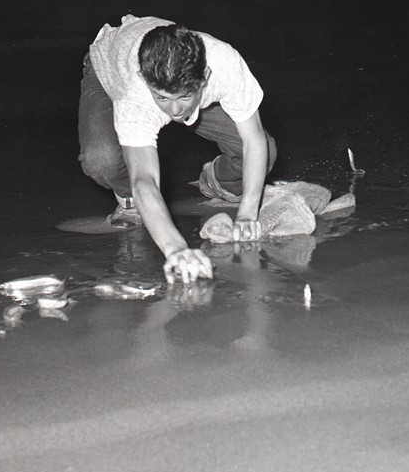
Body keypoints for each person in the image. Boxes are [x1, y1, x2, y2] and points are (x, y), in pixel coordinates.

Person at [78, 15, 277, 283]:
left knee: (266, 154)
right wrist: (177, 249)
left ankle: (218, 180)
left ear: (204, 76)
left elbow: (254, 141)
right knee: (100, 160)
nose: (173, 110)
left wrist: (247, 215)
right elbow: (144, 179)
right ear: (144, 79)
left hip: (180, 80)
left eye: (184, 96)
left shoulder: (225, 64)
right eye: (162, 98)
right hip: (108, 68)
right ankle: (129, 201)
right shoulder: (134, 93)